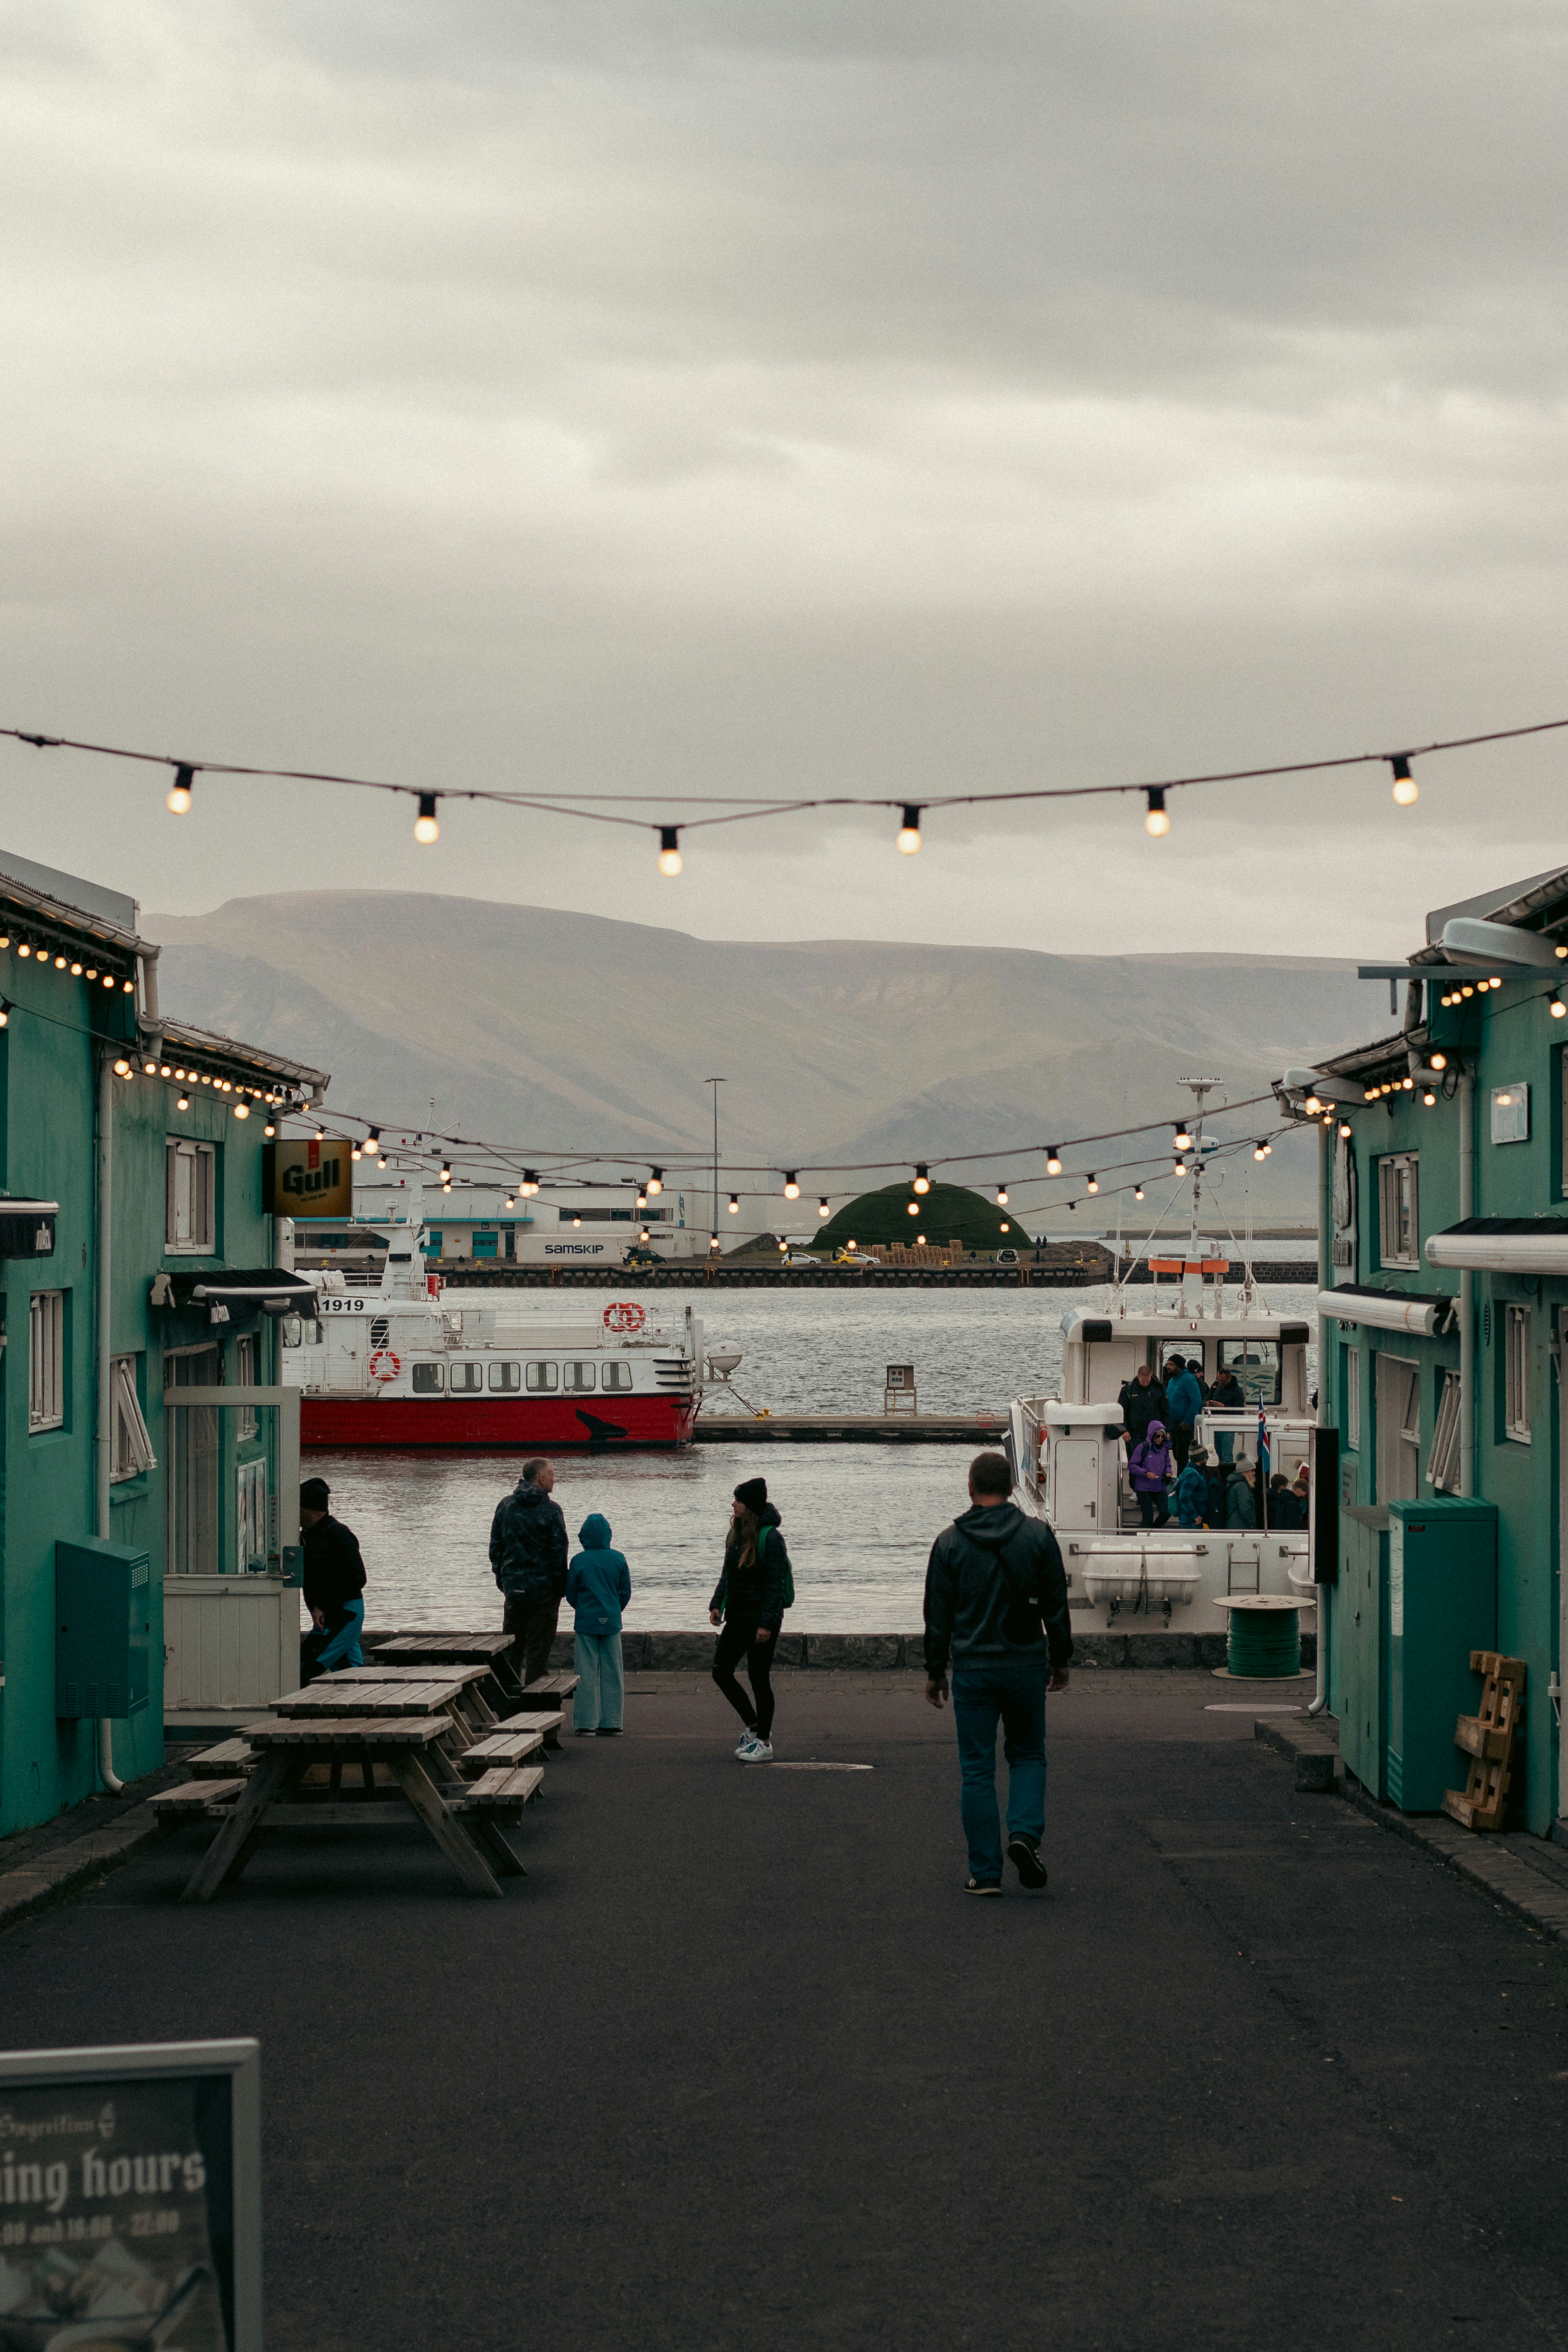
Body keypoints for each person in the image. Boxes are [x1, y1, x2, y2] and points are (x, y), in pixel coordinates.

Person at [923, 1451, 1072, 1896]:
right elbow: (1055, 1604)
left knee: (977, 1769)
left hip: (972, 1669)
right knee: (1027, 1755)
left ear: (970, 1487)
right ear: (1011, 1487)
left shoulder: (949, 1542)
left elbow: (937, 1616)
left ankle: (985, 1873)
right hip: (1025, 1664)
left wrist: (935, 1671)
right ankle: (1024, 1835)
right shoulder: (1037, 1535)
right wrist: (1060, 1659)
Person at [709, 1477, 789, 1762]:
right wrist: (717, 1604)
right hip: (738, 1617)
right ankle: (753, 1727)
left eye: (738, 1500)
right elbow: (727, 1574)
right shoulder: (735, 1534)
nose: (733, 1504)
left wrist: (766, 1624)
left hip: (761, 1622)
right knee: (721, 1672)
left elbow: (775, 1583)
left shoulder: (771, 1538)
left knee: (758, 1678)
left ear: (750, 1505)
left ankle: (764, 1743)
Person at [490, 1456, 569, 1686]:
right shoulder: (551, 1510)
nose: (555, 1478)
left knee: (512, 1651)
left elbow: (496, 1548)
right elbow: (558, 1554)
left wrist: (503, 1579)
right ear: (542, 1478)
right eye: (553, 1474)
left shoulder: (505, 1506)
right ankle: (536, 1708)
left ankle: (508, 1708)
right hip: (543, 1594)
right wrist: (560, 1588)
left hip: (514, 1590)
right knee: (539, 1653)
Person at [566, 1513, 632, 1737]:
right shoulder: (619, 1559)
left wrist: (584, 1609)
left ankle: (586, 1723)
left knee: (585, 1673)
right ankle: (613, 1722)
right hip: (612, 1621)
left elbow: (571, 1594)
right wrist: (614, 1610)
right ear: (608, 1535)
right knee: (613, 1672)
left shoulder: (578, 1561)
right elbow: (626, 1592)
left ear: (584, 1537)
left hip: (586, 1621)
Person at [299, 1476, 367, 1680]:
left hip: (345, 1613)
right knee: (349, 1672)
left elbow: (358, 1578)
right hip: (326, 1617)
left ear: (316, 1510)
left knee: (308, 1668)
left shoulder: (338, 1534)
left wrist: (324, 1605)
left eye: (300, 1508)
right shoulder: (306, 1537)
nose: (296, 1513)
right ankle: (362, 1706)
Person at [1128, 1420, 1175, 1529]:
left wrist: (1169, 1472)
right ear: (1152, 1435)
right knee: (1148, 1517)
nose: (1160, 1439)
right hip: (1144, 1488)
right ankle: (1146, 1537)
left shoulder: (1164, 1449)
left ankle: (1154, 1530)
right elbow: (1132, 1466)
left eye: (1163, 1437)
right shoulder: (1143, 1447)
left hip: (1160, 1487)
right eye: (1158, 1436)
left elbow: (1168, 1464)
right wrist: (1146, 1473)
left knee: (1167, 1512)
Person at [1163, 1358, 1205, 1474]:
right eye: (1168, 1364)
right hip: (1174, 1426)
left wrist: (1188, 1420)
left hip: (1185, 1426)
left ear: (1179, 1366)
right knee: (1177, 1455)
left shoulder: (1188, 1379)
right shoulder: (1172, 1380)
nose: (1168, 1366)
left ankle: (1184, 1481)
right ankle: (1181, 1480)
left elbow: (1197, 1401)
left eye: (1171, 1364)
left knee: (1183, 1458)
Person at [1118, 1361, 1167, 1447]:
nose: (1145, 1384)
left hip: (1155, 1432)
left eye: (1148, 1381)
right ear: (1138, 1377)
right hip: (1134, 1433)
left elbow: (1165, 1410)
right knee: (1135, 1460)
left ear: (1151, 1376)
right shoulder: (1128, 1389)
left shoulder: (1159, 1388)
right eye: (1143, 1381)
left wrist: (1167, 1430)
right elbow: (1122, 1411)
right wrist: (1124, 1430)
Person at [1209, 1364, 1246, 1463]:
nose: (1220, 1383)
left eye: (1223, 1381)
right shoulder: (1215, 1386)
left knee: (1227, 1456)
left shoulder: (1238, 1391)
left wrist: (1224, 1407)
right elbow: (1205, 1399)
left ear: (1229, 1378)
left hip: (1227, 1427)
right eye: (1219, 1380)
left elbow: (1240, 1411)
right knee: (1214, 1455)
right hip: (1214, 1425)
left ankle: (1228, 1477)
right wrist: (1208, 1403)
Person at [1174, 1446, 1211, 1529]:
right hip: (1192, 1522)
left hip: (1193, 1521)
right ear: (1200, 1458)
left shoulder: (1194, 1471)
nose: (1207, 1460)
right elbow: (1184, 1497)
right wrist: (1195, 1516)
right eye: (1207, 1457)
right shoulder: (1192, 1474)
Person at [1225, 1458, 1257, 1529]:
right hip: (1241, 1525)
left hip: (1234, 1523)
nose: (1254, 1473)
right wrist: (1253, 1523)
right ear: (1245, 1472)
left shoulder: (1234, 1483)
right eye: (1252, 1471)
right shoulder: (1242, 1486)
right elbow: (1245, 1508)